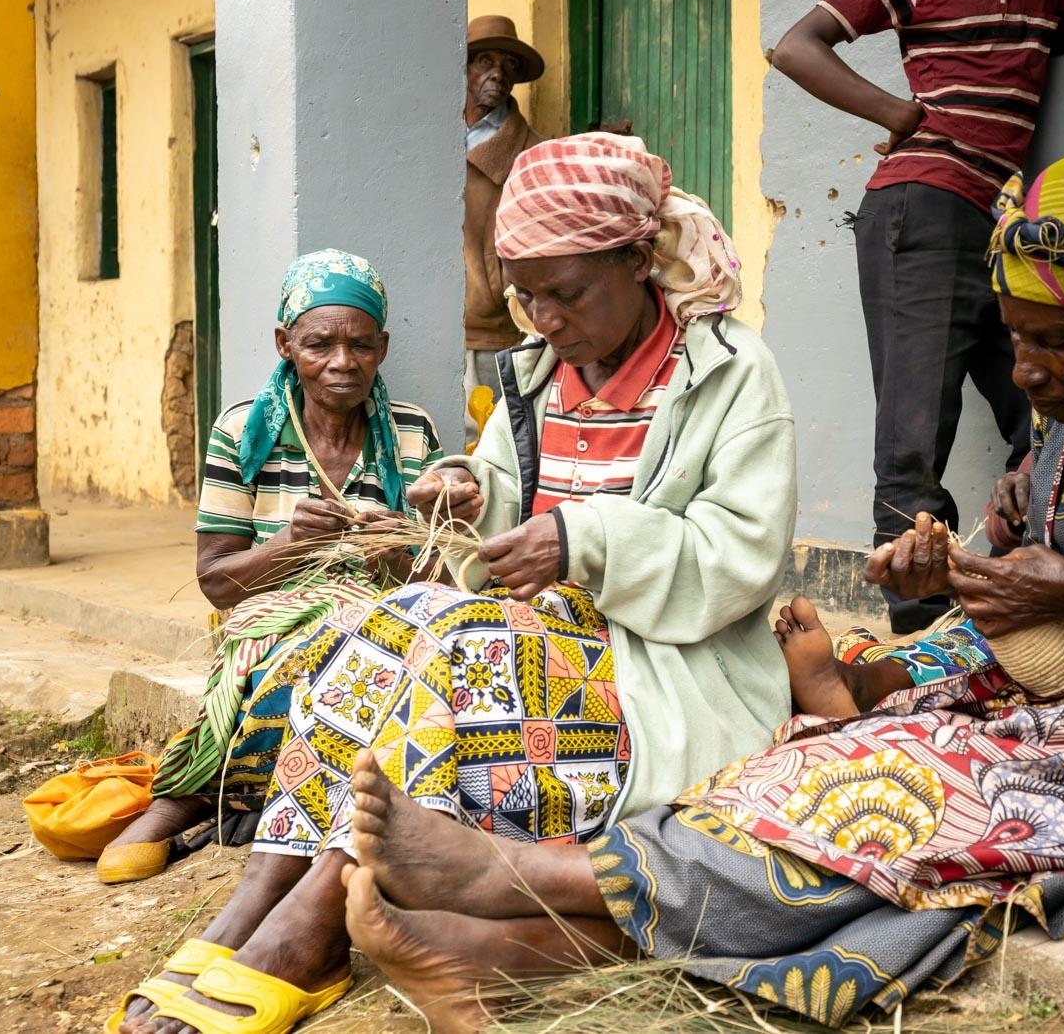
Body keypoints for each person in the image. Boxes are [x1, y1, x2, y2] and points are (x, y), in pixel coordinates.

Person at [327, 150, 1064, 1033]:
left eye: (1053, 343)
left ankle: (520, 878)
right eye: (1013, 335)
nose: (1022, 371)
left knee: (862, 791)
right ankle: (504, 957)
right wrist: (963, 563)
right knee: (797, 746)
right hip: (1009, 673)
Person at [110, 134, 798, 1034]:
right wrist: (466, 492)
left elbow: (739, 559)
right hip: (535, 647)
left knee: (458, 641)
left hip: (665, 675)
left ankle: (314, 914)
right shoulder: (539, 376)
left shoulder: (731, 374)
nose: (542, 318)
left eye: (566, 292)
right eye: (526, 294)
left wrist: (580, 538)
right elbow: (496, 512)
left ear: (637, 257)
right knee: (380, 621)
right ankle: (263, 889)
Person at [771, 0, 1064, 633]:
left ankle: (1020, 598)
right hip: (921, 206)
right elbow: (795, 47)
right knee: (911, 441)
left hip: (997, 222)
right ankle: (921, 632)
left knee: (1036, 419)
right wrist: (896, 113)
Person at [96, 250, 442, 891]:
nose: (342, 364)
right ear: (286, 344)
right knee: (305, 652)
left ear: (383, 347)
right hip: (271, 627)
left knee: (378, 650)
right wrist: (289, 545)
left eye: (361, 346)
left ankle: (242, 800)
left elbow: (439, 574)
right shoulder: (240, 432)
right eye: (319, 346)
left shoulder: (413, 433)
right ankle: (204, 790)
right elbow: (216, 580)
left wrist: (392, 550)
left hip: (383, 625)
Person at [463, 14, 545, 448]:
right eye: (485, 61)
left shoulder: (531, 151)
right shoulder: (429, 136)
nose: (496, 74)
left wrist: (498, 286)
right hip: (431, 317)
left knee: (485, 445)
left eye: (508, 67)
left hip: (491, 328)